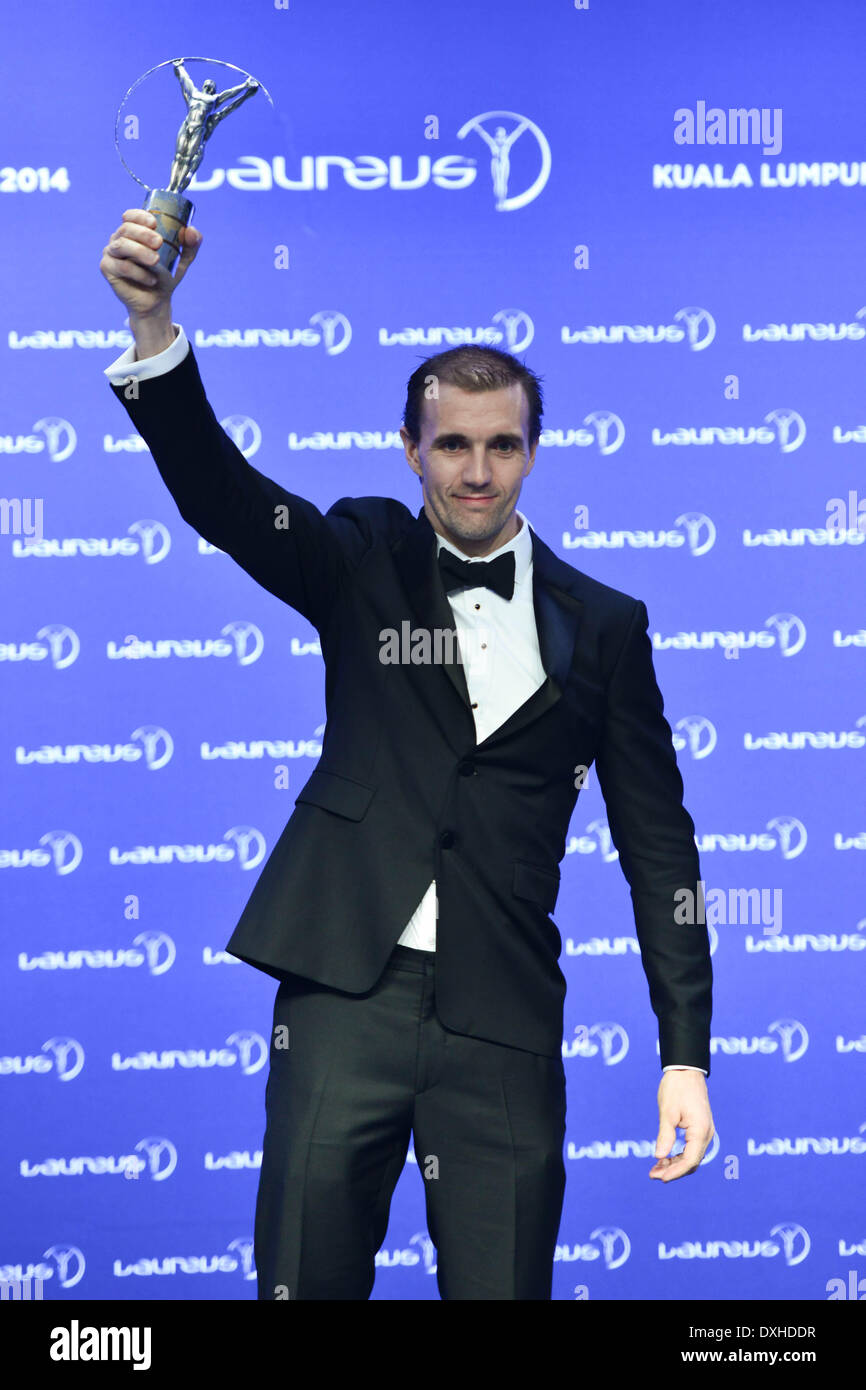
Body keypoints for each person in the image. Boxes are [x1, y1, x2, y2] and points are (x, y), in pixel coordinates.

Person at [99, 210, 715, 1300]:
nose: (476, 473)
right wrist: (155, 325)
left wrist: (682, 1055)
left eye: (502, 444)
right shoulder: (364, 556)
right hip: (343, 999)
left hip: (505, 1024)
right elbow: (224, 498)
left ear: (533, 448)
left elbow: (657, 851)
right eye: (450, 444)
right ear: (410, 448)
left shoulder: (608, 625)